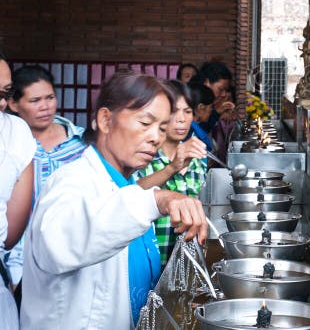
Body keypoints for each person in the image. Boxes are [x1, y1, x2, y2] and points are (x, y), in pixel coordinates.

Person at [20, 71, 207, 328]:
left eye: (162, 128)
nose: (156, 137)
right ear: (106, 120)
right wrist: (157, 199)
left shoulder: (125, 184)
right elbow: (62, 242)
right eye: (145, 123)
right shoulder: (71, 183)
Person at [134, 81, 207, 266]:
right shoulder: (143, 154)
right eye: (174, 111)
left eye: (188, 111)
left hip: (186, 264)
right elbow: (131, 194)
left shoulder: (197, 158)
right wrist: (172, 167)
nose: (181, 119)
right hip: (150, 263)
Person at [9, 65, 86, 200]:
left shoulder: (83, 141)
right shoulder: (8, 145)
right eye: (35, 100)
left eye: (50, 97)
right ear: (13, 104)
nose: (45, 107)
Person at [0, 53, 36, 330]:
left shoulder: (15, 132)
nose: (2, 102)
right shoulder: (14, 133)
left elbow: (12, 234)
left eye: (5, 93)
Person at [186, 81, 215, 153]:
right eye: (210, 108)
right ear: (201, 107)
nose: (211, 111)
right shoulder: (190, 132)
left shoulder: (194, 127)